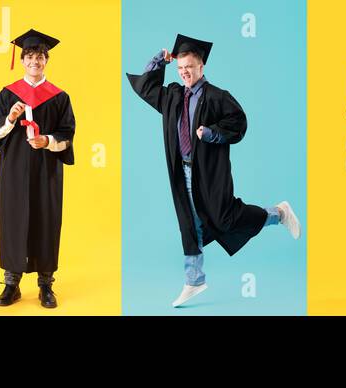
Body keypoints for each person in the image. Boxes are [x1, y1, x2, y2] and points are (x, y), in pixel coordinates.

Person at [126, 34, 301, 307]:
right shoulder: (172, 95)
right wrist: (159, 60)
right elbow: (145, 89)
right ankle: (194, 280)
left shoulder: (217, 96)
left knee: (225, 217)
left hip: (209, 172)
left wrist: (211, 133)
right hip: (180, 170)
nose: (185, 72)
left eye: (190, 67)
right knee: (189, 223)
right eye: (181, 67)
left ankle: (278, 213)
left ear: (202, 67)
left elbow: (239, 122)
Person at [0, 29, 75, 309]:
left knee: (46, 219)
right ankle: (11, 284)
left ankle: (46, 286)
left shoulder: (60, 97)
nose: (35, 61)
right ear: (22, 61)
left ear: (46, 60)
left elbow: (68, 134)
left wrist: (47, 141)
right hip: (13, 170)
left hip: (46, 171)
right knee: (12, 220)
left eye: (40, 57)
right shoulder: (7, 94)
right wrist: (11, 119)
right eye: (30, 57)